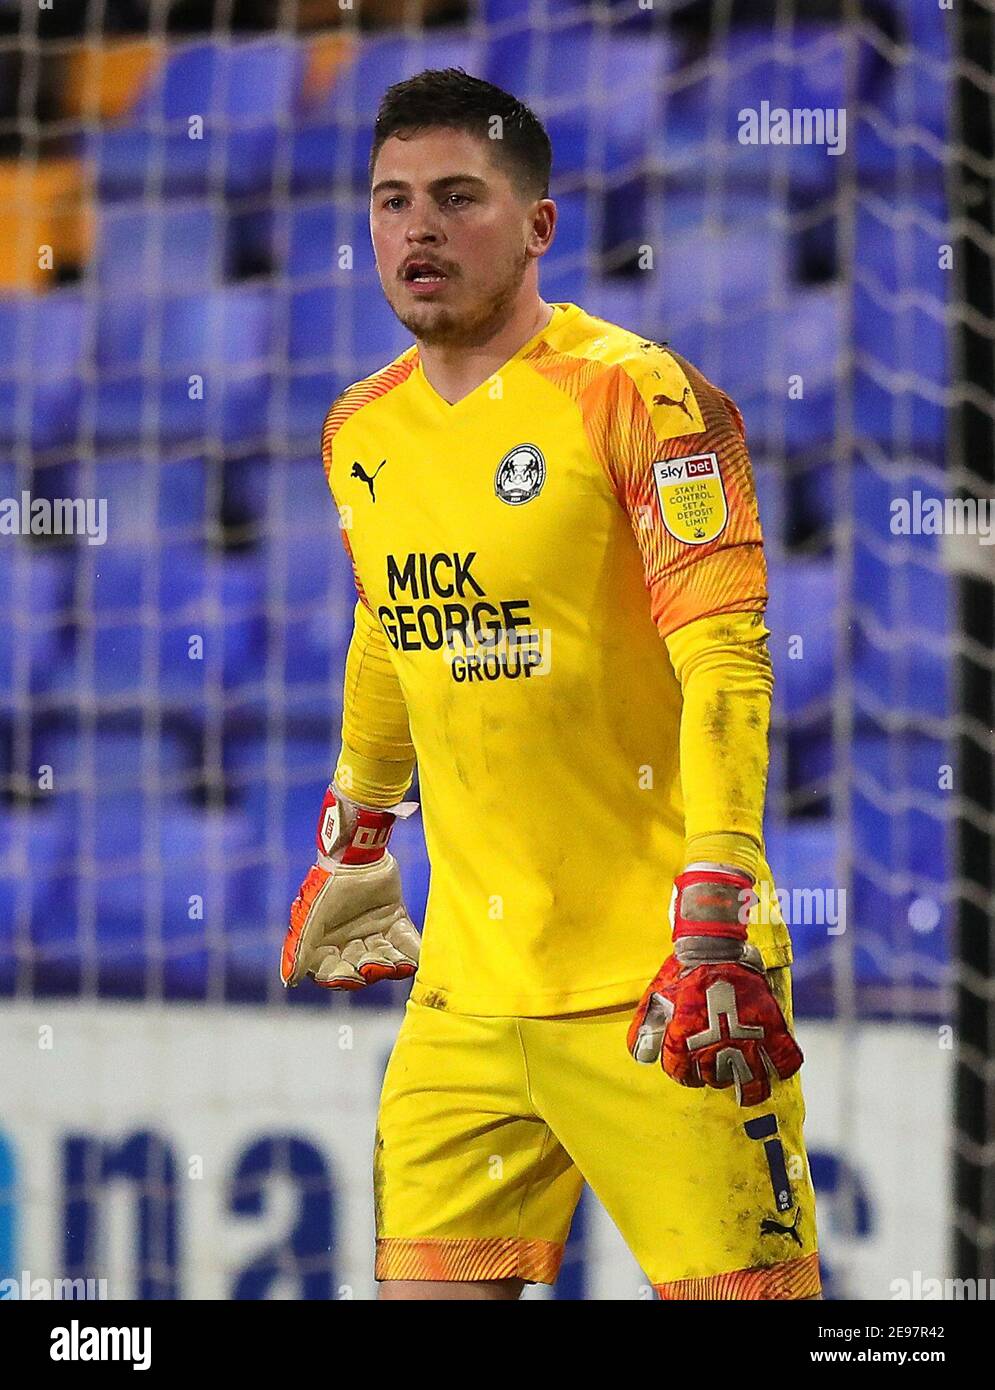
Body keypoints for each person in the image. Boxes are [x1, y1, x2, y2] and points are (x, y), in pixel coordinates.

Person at [281, 67, 821, 1302]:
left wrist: (715, 900)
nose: (417, 229)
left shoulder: (639, 394)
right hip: (465, 1000)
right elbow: (388, 629)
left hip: (663, 979)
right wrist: (357, 827)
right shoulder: (359, 430)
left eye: (456, 197)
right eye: (391, 201)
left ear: (537, 226)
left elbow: (723, 655)